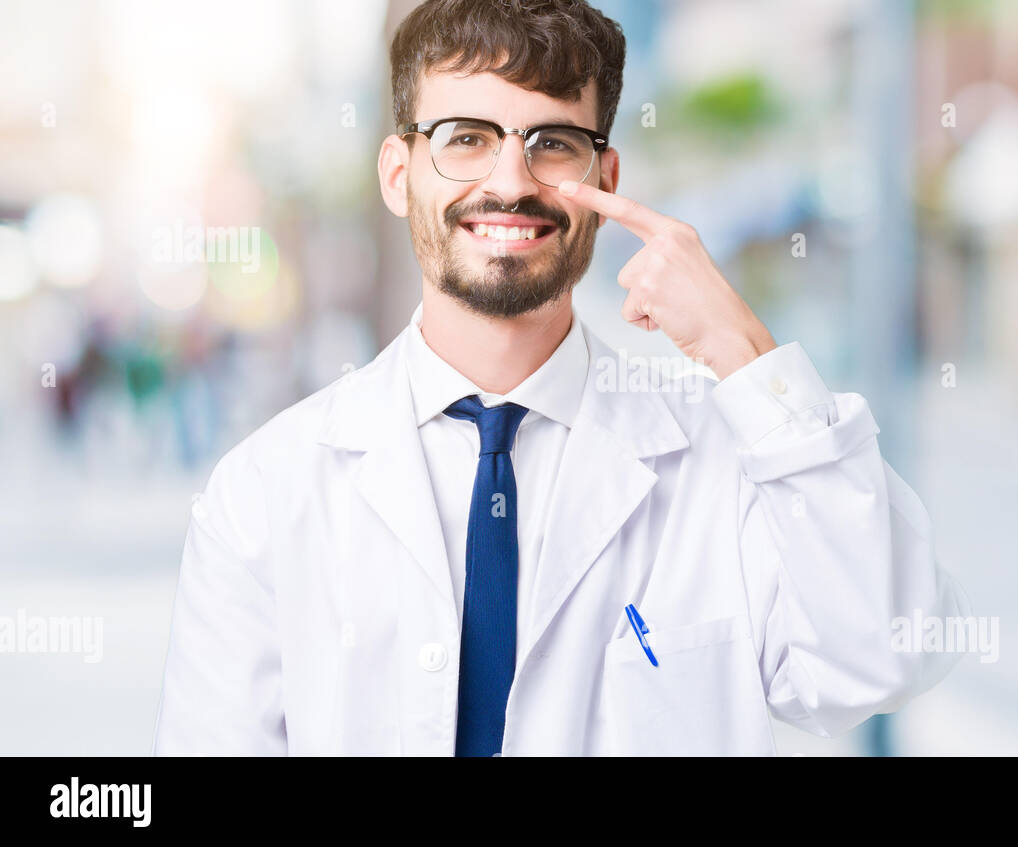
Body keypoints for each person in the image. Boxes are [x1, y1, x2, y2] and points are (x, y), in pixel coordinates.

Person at [153, 0, 969, 756]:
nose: (510, 183)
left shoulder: (721, 466)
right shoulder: (265, 492)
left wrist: (746, 353)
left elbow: (887, 654)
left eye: (552, 144)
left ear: (606, 180)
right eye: (465, 137)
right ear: (399, 174)